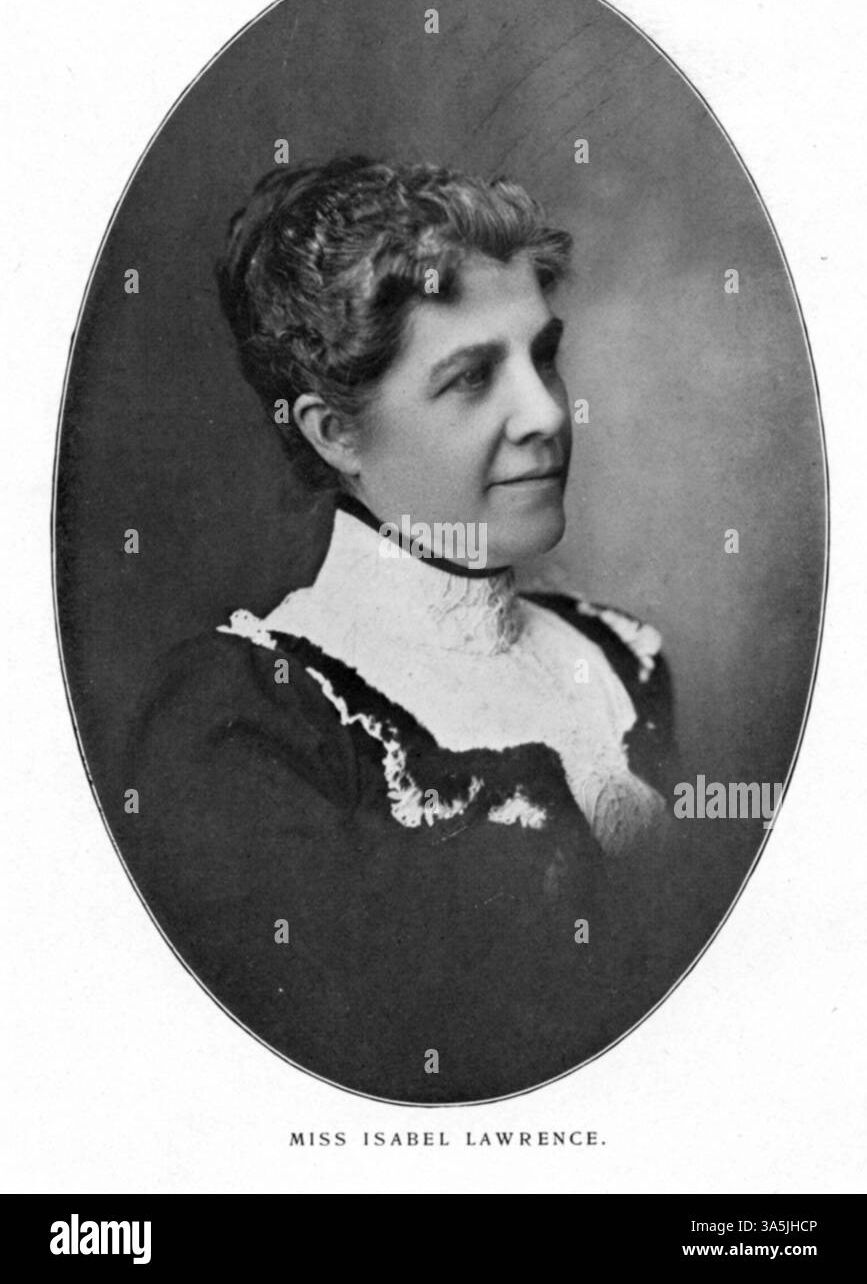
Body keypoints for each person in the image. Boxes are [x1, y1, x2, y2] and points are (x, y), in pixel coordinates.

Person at [124, 156, 710, 1103]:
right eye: (473, 376)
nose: (547, 414)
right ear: (334, 433)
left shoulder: (618, 657)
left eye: (543, 354)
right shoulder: (248, 721)